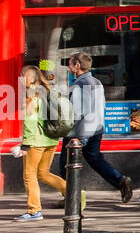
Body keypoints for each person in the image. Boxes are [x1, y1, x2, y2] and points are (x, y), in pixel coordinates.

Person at [63, 53, 133, 202]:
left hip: (80, 132)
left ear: (77, 65)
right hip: (96, 129)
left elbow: (76, 112)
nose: (68, 67)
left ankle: (71, 199)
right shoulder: (97, 82)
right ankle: (119, 180)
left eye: (70, 64)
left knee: (66, 164)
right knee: (95, 159)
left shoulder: (79, 84)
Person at [15, 66, 66, 221]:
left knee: (30, 175)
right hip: (51, 140)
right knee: (43, 173)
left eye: (21, 76)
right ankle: (73, 192)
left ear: (27, 78)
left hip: (36, 141)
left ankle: (34, 211)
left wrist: (25, 144)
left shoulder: (31, 95)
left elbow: (30, 122)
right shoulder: (49, 92)